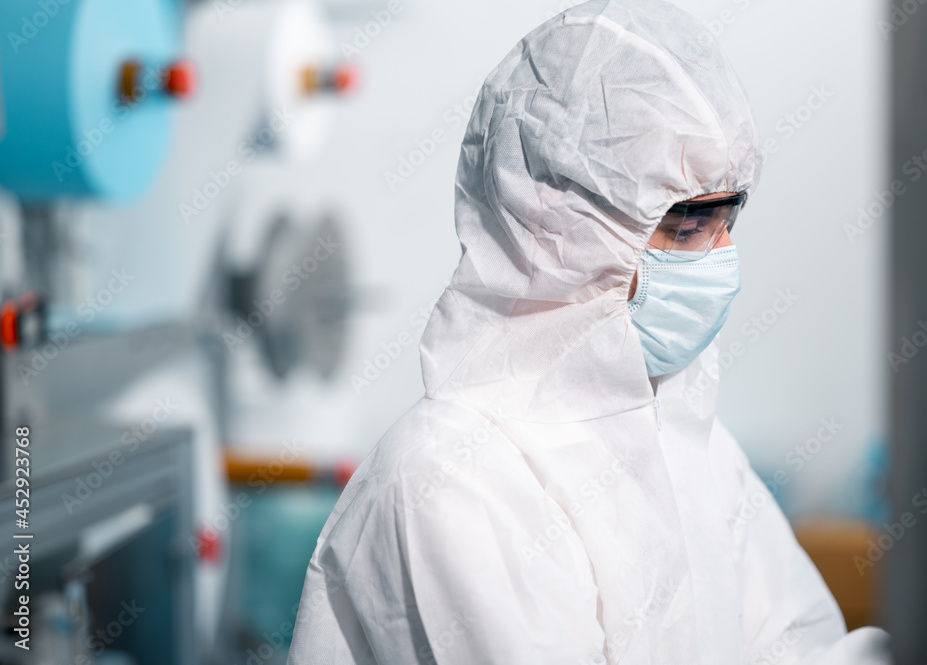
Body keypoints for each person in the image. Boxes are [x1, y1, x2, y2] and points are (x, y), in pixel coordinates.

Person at [287, 1, 892, 662]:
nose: (718, 260)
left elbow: (797, 643)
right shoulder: (445, 483)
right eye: (687, 226)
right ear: (560, 231)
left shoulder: (686, 435)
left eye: (728, 222)